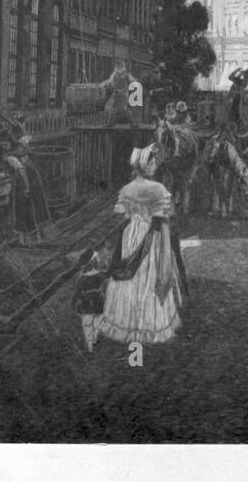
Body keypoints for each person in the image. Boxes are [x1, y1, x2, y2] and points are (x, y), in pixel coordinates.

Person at [75, 144, 185, 352]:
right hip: (150, 236)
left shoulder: (127, 189)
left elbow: (125, 215)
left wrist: (137, 215)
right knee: (146, 275)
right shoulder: (158, 189)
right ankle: (146, 324)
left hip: (130, 236)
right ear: (147, 165)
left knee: (129, 277)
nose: (154, 166)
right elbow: (164, 217)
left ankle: (123, 322)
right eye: (152, 163)